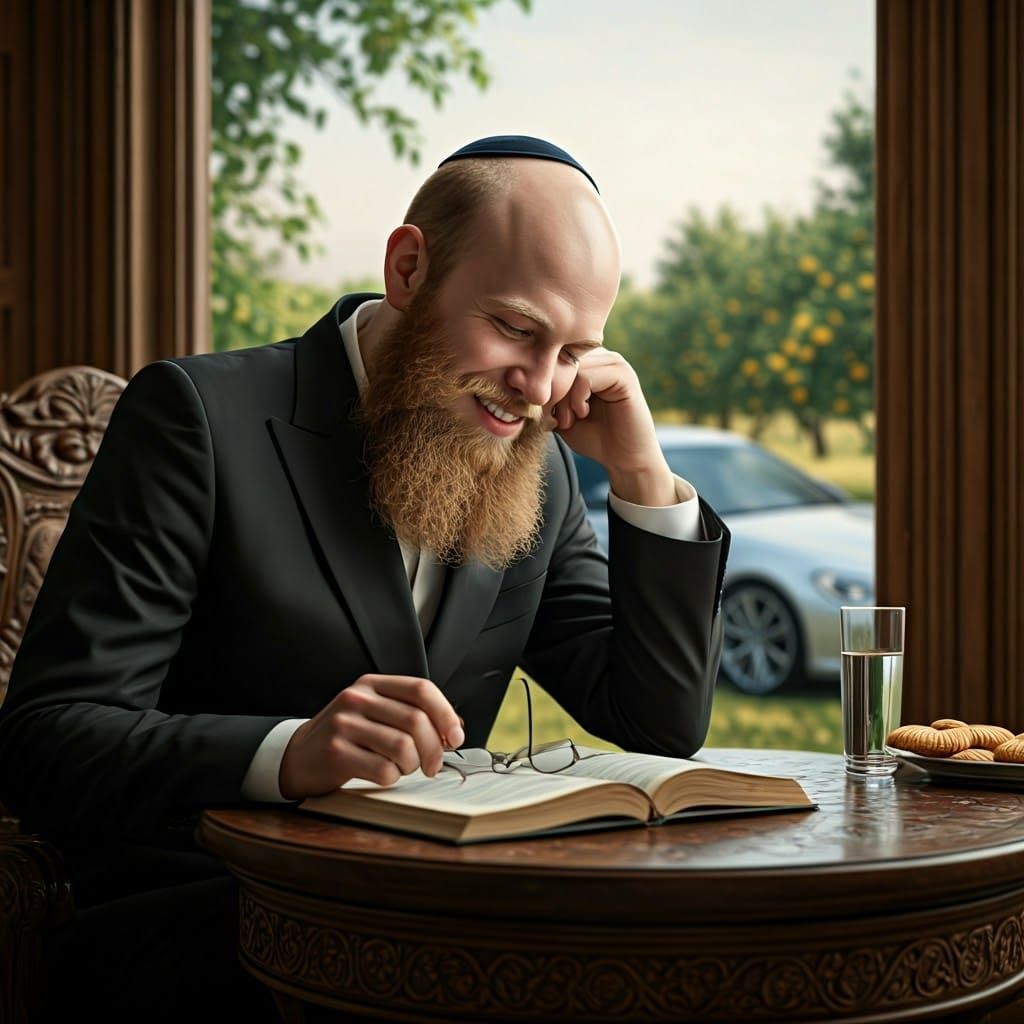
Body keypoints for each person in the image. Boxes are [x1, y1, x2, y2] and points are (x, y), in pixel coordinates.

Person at [0, 136, 729, 1020]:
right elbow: (45, 739)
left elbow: (657, 723)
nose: (540, 388)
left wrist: (644, 478)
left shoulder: (540, 464)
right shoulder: (197, 417)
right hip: (210, 930)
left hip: (440, 924)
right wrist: (287, 754)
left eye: (575, 351)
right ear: (410, 268)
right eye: (515, 329)